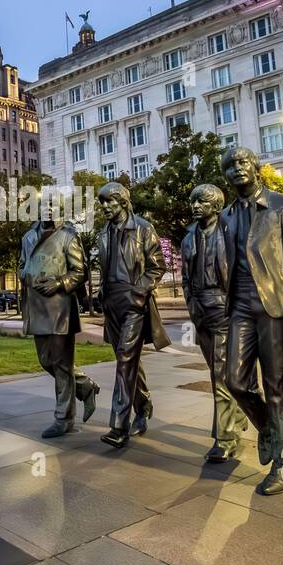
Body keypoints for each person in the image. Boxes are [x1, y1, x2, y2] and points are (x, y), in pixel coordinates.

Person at [219, 147, 283, 495]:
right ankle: (271, 432)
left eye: (242, 162)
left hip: (275, 305)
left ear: (256, 168)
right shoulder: (227, 215)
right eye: (229, 166)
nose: (236, 169)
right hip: (241, 305)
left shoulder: (281, 206)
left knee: (277, 387)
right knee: (236, 380)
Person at [95, 182, 169, 449]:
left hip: (134, 303)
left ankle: (118, 425)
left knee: (125, 359)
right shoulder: (103, 233)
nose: (104, 207)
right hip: (112, 303)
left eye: (109, 202)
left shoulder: (143, 228)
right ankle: (143, 403)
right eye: (101, 202)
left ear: (123, 202)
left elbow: (157, 265)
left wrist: (140, 291)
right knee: (127, 360)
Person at [180, 183, 249, 462]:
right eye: (194, 201)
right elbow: (186, 277)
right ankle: (241, 410)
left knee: (219, 376)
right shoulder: (188, 238)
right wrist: (190, 303)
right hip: (200, 308)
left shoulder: (231, 231)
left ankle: (225, 438)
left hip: (224, 307)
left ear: (216, 207)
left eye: (202, 202)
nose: (196, 206)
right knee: (219, 369)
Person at [19, 215, 99, 437]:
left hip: (59, 307)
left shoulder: (68, 235)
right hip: (36, 307)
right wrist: (25, 275)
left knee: (62, 364)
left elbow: (80, 271)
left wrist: (58, 283)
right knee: (45, 361)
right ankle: (85, 386)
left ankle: (63, 419)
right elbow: (21, 265)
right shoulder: (28, 236)